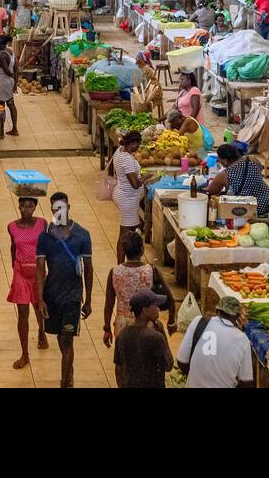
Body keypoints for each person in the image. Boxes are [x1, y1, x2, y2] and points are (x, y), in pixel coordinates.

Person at [34, 192, 94, 389]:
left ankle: (65, 383)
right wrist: (40, 298)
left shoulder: (82, 235)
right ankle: (69, 375)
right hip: (52, 295)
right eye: (55, 208)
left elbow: (88, 268)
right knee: (61, 339)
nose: (59, 211)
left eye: (62, 207)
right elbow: (40, 269)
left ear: (69, 207)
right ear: (51, 210)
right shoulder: (44, 238)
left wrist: (89, 299)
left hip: (73, 297)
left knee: (67, 340)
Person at [103, 232, 174, 348]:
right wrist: (171, 321)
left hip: (122, 324)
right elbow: (169, 298)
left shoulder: (114, 272)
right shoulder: (151, 270)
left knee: (122, 361)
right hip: (146, 322)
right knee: (146, 360)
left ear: (124, 251)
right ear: (142, 250)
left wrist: (107, 328)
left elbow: (108, 304)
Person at [6, 194, 48, 369]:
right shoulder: (12, 227)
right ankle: (25, 353)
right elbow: (13, 247)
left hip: (38, 272)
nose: (26, 209)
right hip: (21, 272)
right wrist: (14, 267)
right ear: (19, 207)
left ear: (35, 207)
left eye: (30, 206)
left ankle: (41, 331)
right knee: (23, 312)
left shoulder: (42, 224)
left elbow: (46, 246)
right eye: (23, 206)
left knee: (39, 306)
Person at [176, 295, 254, 388]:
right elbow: (246, 382)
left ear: (217, 311)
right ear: (237, 317)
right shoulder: (243, 340)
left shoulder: (198, 321)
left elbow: (181, 361)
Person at [112, 290, 174, 389]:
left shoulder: (122, 335)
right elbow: (169, 365)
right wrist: (162, 332)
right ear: (145, 310)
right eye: (155, 305)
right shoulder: (155, 337)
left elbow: (119, 370)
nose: (158, 308)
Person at [111, 131, 155, 263]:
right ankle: (120, 264)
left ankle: (124, 262)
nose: (138, 148)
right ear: (133, 143)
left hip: (123, 193)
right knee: (124, 234)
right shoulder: (127, 160)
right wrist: (145, 178)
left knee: (128, 231)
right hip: (127, 199)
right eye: (137, 144)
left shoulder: (120, 151)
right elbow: (135, 184)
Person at [205, 143, 269, 218]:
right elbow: (260, 170)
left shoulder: (224, 175)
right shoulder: (252, 159)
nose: (219, 162)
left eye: (219, 160)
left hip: (252, 211)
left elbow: (210, 191)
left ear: (225, 161)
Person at [0, 34, 19, 136]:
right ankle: (14, 129)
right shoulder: (11, 51)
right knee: (11, 104)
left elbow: (6, 70)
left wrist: (10, 75)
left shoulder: (1, 54)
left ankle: (0, 132)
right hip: (9, 82)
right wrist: (14, 81)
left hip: (2, 82)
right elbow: (16, 67)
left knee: (0, 106)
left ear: (2, 44)